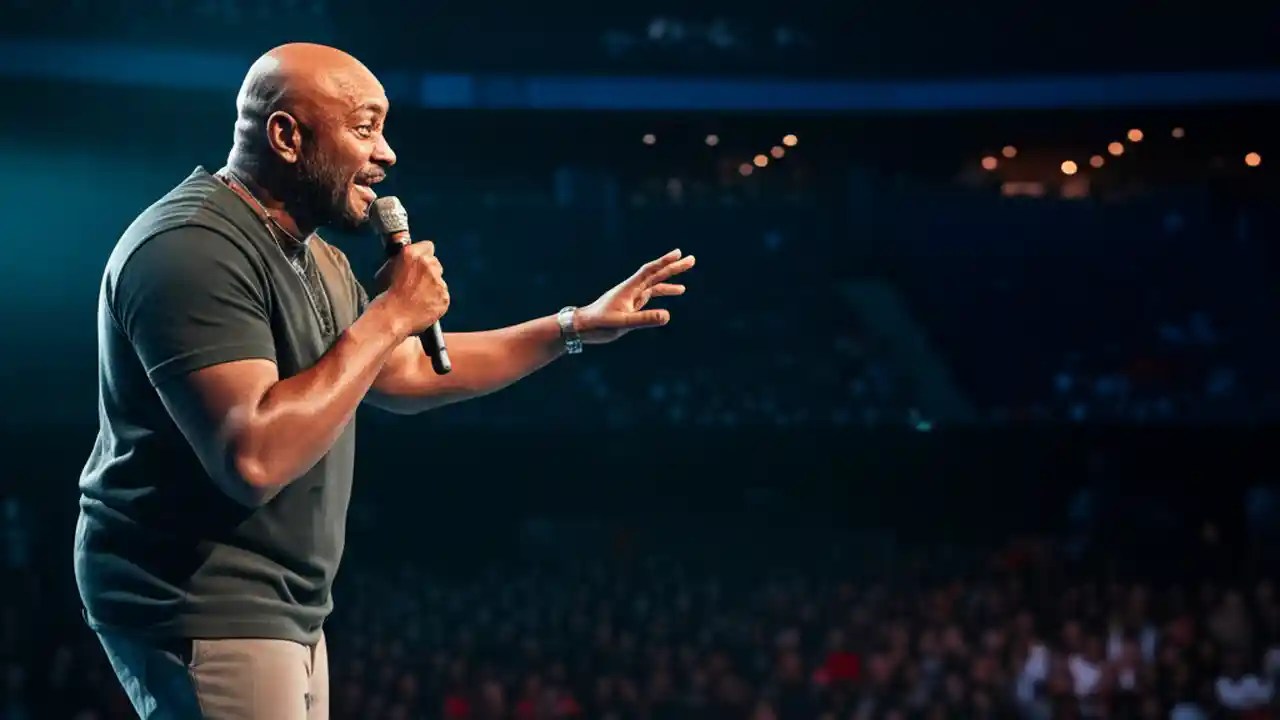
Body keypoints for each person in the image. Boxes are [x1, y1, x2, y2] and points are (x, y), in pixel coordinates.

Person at [74, 42, 695, 719]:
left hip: (279, 602)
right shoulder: (190, 249)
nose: (388, 153)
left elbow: (398, 370)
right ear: (286, 135)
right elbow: (252, 455)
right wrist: (392, 312)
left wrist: (572, 326)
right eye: (365, 126)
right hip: (200, 597)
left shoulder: (314, 255)